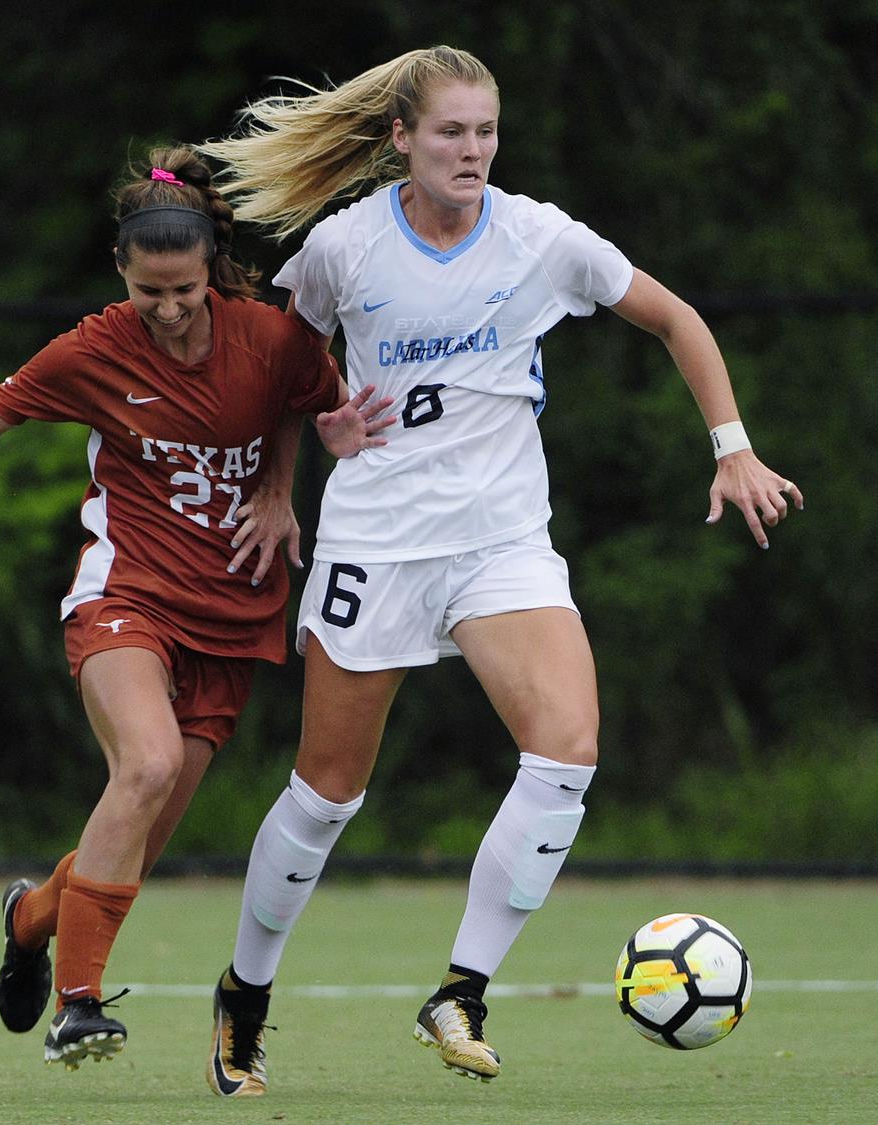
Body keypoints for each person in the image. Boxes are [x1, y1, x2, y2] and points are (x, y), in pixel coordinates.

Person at [192, 45, 802, 1093]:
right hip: (376, 540)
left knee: (565, 749)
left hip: (499, 540)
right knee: (327, 791)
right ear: (400, 140)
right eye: (449, 133)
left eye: (484, 132)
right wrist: (283, 473)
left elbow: (674, 318)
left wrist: (731, 445)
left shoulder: (537, 236)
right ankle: (243, 997)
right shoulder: (344, 248)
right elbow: (286, 371)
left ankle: (460, 990)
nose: (471, 150)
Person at [0, 147, 386, 1072]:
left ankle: (30, 920)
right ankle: (80, 1003)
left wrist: (282, 480)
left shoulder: (272, 337)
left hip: (232, 621)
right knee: (140, 768)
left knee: (132, 844)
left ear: (210, 268)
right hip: (125, 598)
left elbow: (314, 401)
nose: (170, 310)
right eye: (150, 292)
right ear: (121, 273)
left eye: (184, 290)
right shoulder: (94, 350)